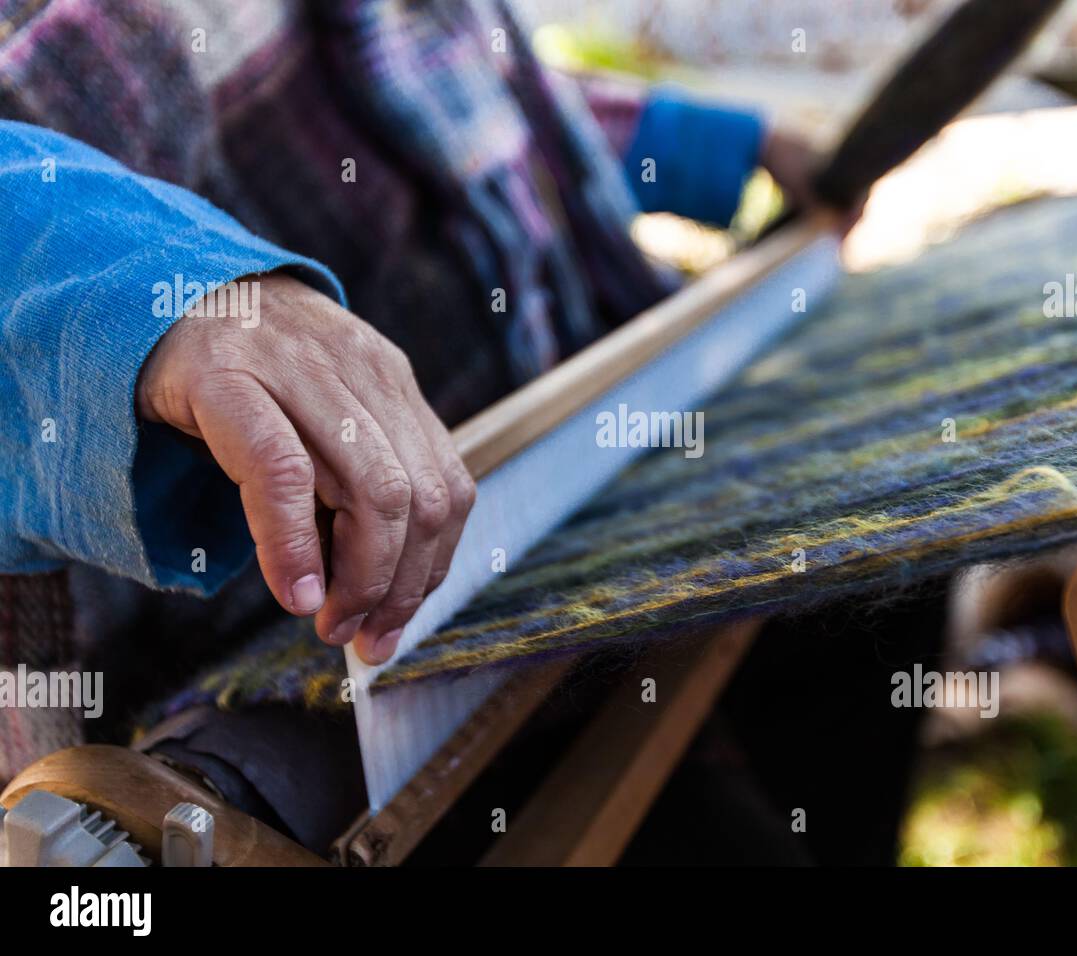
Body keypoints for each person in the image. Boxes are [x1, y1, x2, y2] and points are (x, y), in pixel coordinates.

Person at [0, 0, 838, 786]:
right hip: (284, 703)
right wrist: (166, 296)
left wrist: (707, 145)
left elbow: (462, 99)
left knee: (813, 681)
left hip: (564, 508)